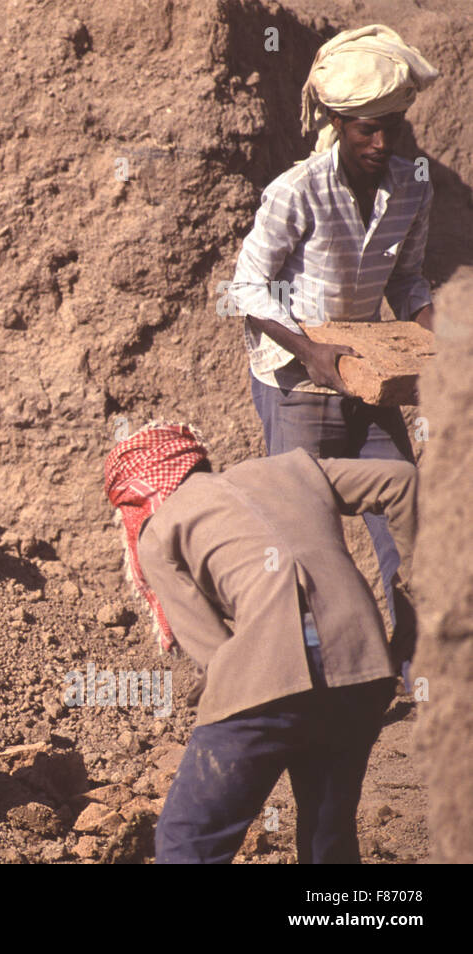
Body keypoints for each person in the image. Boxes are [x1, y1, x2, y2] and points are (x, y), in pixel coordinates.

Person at [104, 422, 417, 863]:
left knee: (187, 839)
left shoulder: (158, 534)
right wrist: (414, 595)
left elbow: (214, 656)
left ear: (141, 496)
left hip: (269, 681)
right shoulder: (290, 469)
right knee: (328, 835)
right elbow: (401, 480)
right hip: (362, 667)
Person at [228, 24, 438, 631]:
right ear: (338, 125)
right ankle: (319, 676)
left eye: (389, 128)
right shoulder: (296, 192)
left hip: (370, 380)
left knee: (407, 507)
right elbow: (247, 286)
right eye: (365, 128)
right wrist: (312, 351)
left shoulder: (410, 191)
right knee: (305, 532)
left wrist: (438, 334)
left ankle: (416, 662)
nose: (378, 142)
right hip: (298, 381)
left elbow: (408, 284)